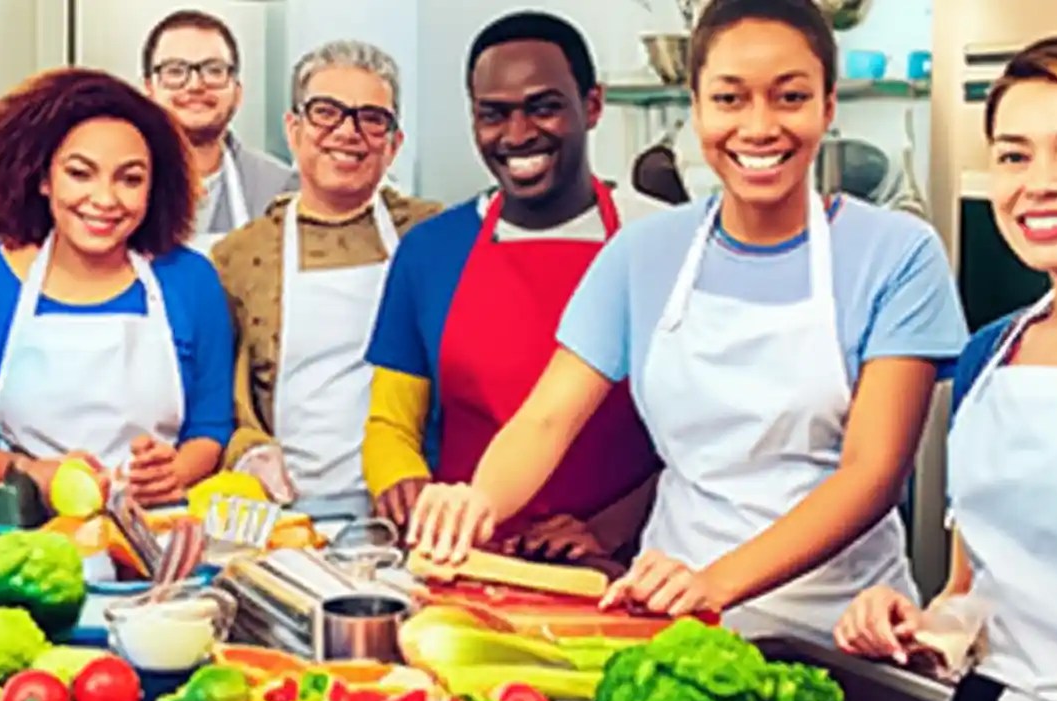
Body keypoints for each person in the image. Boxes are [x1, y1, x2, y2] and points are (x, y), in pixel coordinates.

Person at [408, 0, 970, 635]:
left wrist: (715, 583)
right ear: (696, 108)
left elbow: (872, 473)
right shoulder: (643, 253)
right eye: (729, 99)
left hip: (844, 627)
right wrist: (474, 503)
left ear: (827, 106)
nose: (759, 127)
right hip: (670, 618)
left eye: (790, 97)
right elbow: (546, 420)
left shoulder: (897, 253)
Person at [836, 35, 1057, 701]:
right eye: (1014, 155)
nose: (1040, 183)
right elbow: (972, 591)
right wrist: (919, 627)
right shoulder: (991, 354)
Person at [363, 10, 668, 560]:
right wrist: (404, 482)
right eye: (493, 114)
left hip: (624, 564)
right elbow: (390, 422)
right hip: (467, 558)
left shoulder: (656, 241)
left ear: (592, 106)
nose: (518, 134)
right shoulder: (431, 251)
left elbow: (701, 440)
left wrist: (610, 528)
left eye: (544, 107)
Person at [0, 67, 234, 508]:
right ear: (43, 179)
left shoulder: (191, 280)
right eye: (81, 174)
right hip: (27, 531)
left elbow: (211, 428)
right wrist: (35, 474)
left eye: (130, 179)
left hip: (157, 529)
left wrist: (173, 472)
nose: (104, 199)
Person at [212, 40, 441, 521]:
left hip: (415, 514)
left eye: (371, 119)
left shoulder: (431, 237)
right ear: (293, 129)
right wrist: (248, 450)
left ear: (394, 144)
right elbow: (215, 397)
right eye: (326, 112)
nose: (347, 132)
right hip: (285, 519)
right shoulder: (240, 256)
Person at [142, 9, 294, 256]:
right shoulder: (116, 183)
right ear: (149, 90)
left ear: (237, 92)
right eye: (175, 71)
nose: (195, 85)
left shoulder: (280, 188)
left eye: (214, 70)